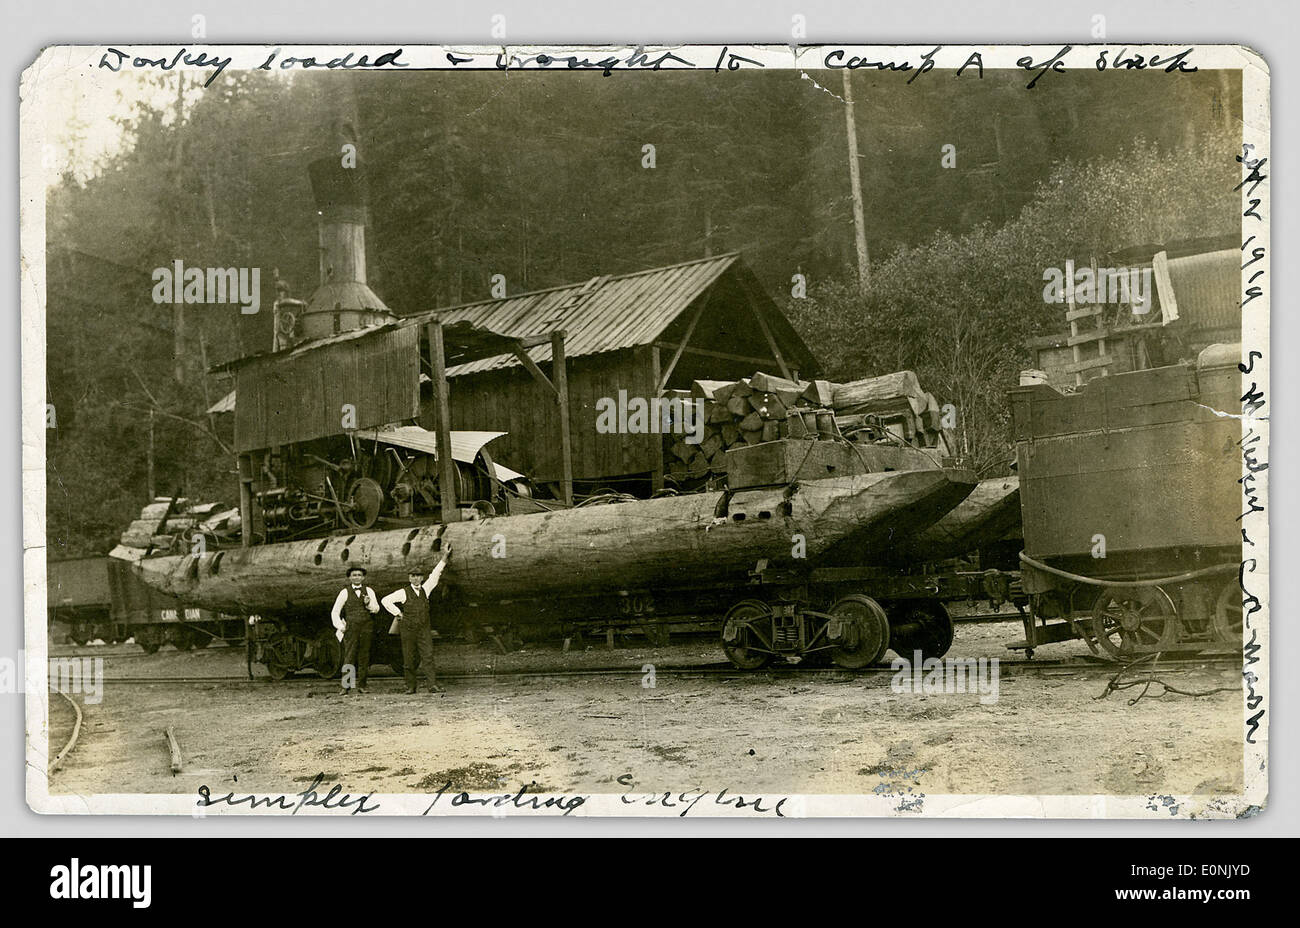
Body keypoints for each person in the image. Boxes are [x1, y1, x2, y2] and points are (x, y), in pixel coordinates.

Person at [381, 544, 453, 694]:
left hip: (423, 628)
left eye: (418, 576)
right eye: (413, 576)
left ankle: (432, 685)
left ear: (422, 577)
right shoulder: (403, 592)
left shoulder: (426, 589)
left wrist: (445, 557)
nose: (416, 578)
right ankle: (410, 686)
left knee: (428, 656)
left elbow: (435, 574)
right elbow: (385, 600)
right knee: (408, 658)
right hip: (408, 629)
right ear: (409, 577)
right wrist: (398, 613)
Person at [330, 566, 380, 695]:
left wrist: (368, 604)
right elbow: (335, 611)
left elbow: (376, 609)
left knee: (364, 656)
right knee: (349, 655)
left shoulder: (369, 590)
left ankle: (362, 686)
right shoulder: (344, 592)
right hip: (351, 627)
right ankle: (346, 686)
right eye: (354, 575)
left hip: (366, 626)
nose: (356, 577)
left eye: (359, 575)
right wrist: (341, 627)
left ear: (363, 577)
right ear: (349, 578)